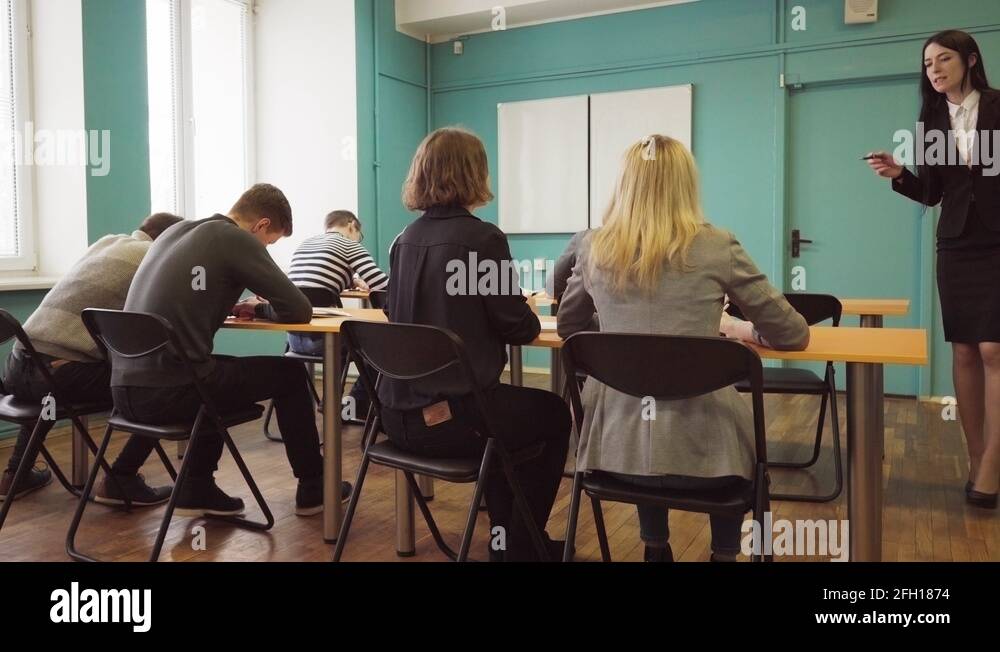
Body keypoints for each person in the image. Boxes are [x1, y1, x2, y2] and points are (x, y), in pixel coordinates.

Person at [557, 135, 809, 562]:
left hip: (613, 455)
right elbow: (793, 334)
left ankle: (655, 548)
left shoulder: (593, 246)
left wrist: (621, 326)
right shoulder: (718, 245)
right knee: (723, 417)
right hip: (710, 464)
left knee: (642, 400)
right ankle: (724, 554)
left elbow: (569, 326)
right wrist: (735, 328)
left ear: (624, 186)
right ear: (686, 185)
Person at [379, 127, 571, 561]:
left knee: (508, 418)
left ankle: (508, 539)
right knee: (552, 414)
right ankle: (519, 543)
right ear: (474, 174)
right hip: (455, 422)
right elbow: (518, 327)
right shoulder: (484, 239)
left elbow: (396, 314)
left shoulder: (402, 240)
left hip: (394, 418)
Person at [100, 184, 349, 517]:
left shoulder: (175, 232)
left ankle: (195, 487)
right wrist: (261, 310)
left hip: (124, 389)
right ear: (260, 225)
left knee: (212, 369)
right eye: (269, 242)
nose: (265, 250)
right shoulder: (235, 238)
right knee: (288, 373)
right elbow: (298, 309)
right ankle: (315, 487)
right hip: (172, 392)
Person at [866, 29, 1000, 509]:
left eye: (943, 59)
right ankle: (977, 455)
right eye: (927, 64)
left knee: (993, 349)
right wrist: (900, 174)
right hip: (957, 244)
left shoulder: (999, 106)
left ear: (969, 59)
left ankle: (990, 468)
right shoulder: (931, 121)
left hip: (998, 242)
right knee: (964, 351)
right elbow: (933, 194)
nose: (935, 69)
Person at [0, 213, 184, 503]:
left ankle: (15, 475)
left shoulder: (106, 243)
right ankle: (120, 479)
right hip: (56, 376)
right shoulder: (153, 258)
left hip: (15, 371)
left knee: (51, 383)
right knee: (161, 389)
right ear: (169, 241)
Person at [287, 210, 388, 421]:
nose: (357, 239)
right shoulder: (349, 245)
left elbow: (315, 284)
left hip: (294, 340)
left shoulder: (306, 245)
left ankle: (331, 401)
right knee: (382, 344)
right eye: (358, 235)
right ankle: (357, 404)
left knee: (345, 333)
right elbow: (383, 286)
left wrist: (353, 279)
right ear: (351, 225)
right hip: (325, 341)